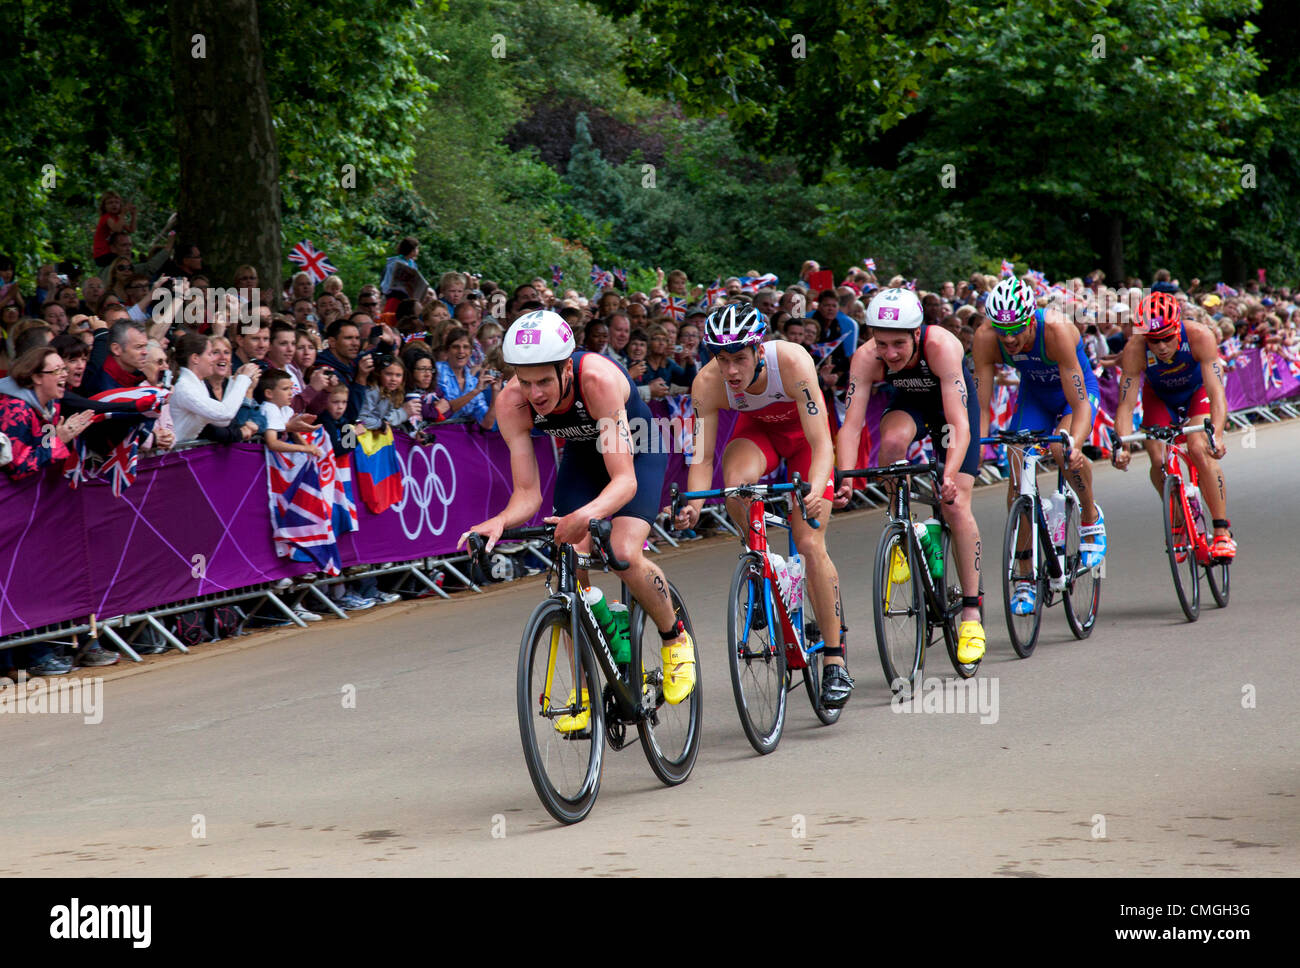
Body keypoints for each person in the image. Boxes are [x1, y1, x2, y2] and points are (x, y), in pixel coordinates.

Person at [459, 309, 696, 727]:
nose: (535, 394)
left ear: (566, 368)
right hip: (584, 454)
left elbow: (624, 482)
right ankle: (586, 688)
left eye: (545, 381)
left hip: (637, 447)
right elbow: (528, 494)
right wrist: (498, 521)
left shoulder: (597, 381)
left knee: (622, 553)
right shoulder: (512, 402)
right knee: (569, 560)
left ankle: (674, 637)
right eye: (525, 381)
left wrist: (584, 516)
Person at [673, 303, 854, 709]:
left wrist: (816, 487)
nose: (731, 370)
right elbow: (701, 458)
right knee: (734, 486)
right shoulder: (707, 383)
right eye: (723, 359)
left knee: (809, 544)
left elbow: (823, 441)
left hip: (808, 443)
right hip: (759, 435)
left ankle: (835, 658)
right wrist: (695, 506)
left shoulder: (790, 361)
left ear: (759, 349)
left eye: (739, 358)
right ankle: (764, 563)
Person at [833, 288, 986, 664]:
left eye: (899, 343)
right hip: (912, 407)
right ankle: (902, 524)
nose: (890, 353)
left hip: (952, 413)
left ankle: (971, 613)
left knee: (955, 505)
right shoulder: (867, 357)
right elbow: (851, 427)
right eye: (881, 343)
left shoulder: (942, 346)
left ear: (918, 333)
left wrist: (948, 475)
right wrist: (846, 479)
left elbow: (959, 423)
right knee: (892, 442)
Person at [971, 277, 1106, 618]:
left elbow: (1079, 405)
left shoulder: (1057, 330)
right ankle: (1024, 577)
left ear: (1032, 317)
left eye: (1017, 329)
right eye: (1003, 330)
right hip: (1036, 398)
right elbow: (981, 406)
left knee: (1062, 450)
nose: (1010, 338)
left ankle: (1090, 518)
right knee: (1016, 463)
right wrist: (975, 450)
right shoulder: (987, 338)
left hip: (1074, 396)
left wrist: (1075, 442)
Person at [1112, 292, 1235, 558]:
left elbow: (1216, 393)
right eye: (1153, 340)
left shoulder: (1200, 336)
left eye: (1167, 337)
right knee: (1157, 456)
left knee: (1198, 446)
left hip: (1196, 393)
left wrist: (1218, 433)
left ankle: (1222, 531)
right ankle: (1179, 520)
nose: (1162, 346)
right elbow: (1125, 403)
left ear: (1178, 326)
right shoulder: (1135, 348)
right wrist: (1120, 443)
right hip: (1160, 397)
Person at [168, 333, 261, 443]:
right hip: (172, 456)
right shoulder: (184, 388)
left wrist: (234, 382)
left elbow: (222, 421)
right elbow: (226, 413)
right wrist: (243, 379)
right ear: (195, 358)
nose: (213, 359)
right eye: (210, 354)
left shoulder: (197, 384)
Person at [436, 327, 499, 427]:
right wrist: (475, 391)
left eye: (465, 347)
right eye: (456, 347)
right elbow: (441, 411)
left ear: (470, 352)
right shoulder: (437, 372)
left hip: (462, 438)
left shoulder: (473, 382)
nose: (461, 351)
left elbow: (487, 424)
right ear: (447, 351)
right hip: (437, 434)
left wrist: (495, 392)